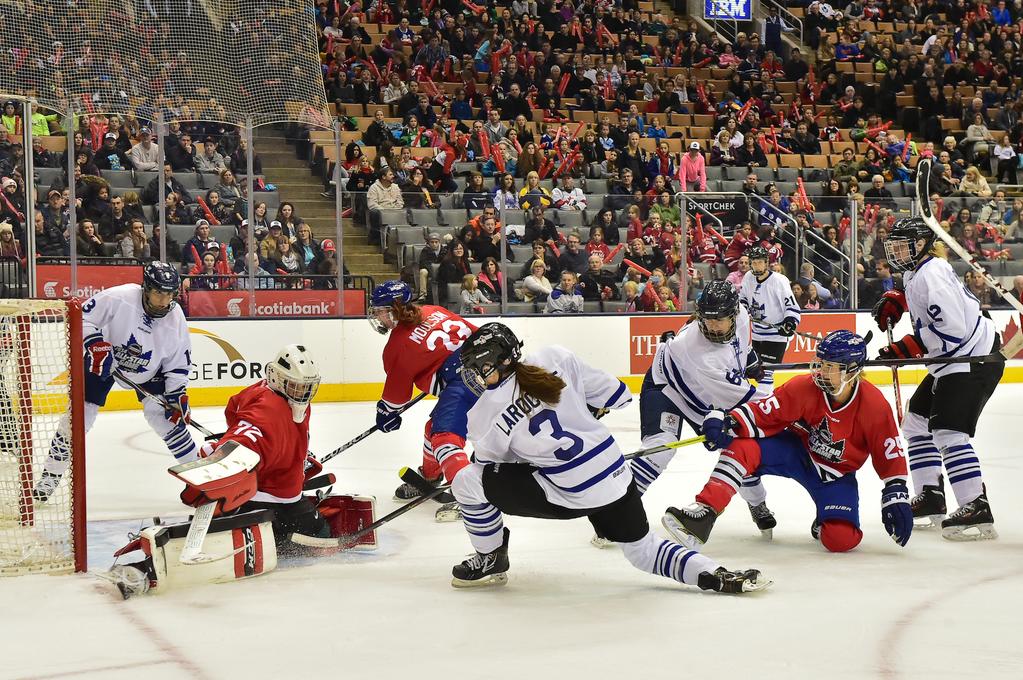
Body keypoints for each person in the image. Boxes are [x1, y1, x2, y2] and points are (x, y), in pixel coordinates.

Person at [438, 323, 768, 593]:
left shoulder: (483, 414)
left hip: (568, 494)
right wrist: (584, 410)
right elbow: (618, 394)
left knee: (467, 482)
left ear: (498, 363)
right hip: (616, 475)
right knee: (643, 551)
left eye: (479, 369)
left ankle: (490, 556)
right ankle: (713, 573)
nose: (475, 377)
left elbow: (494, 469)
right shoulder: (554, 356)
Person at [663, 331, 912, 555]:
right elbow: (765, 412)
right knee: (741, 445)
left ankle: (826, 517)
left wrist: (895, 490)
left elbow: (889, 450)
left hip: (835, 474)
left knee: (840, 539)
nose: (821, 371)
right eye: (821, 364)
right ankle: (705, 513)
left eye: (830, 366)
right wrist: (728, 420)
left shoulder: (874, 405)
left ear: (852, 370)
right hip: (796, 452)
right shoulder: (804, 387)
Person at [873, 218, 1002, 540]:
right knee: (916, 423)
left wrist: (906, 348)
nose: (896, 252)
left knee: (948, 432)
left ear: (921, 244)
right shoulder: (918, 270)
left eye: (902, 246)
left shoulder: (932, 273)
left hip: (972, 359)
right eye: (894, 246)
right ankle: (930, 495)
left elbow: (953, 329)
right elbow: (920, 296)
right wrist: (898, 299)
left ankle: (975, 504)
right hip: (951, 362)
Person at [33, 263, 198, 501]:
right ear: (145, 288)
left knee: (166, 420)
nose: (164, 301)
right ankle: (49, 477)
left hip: (149, 371)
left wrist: (176, 394)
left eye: (169, 294)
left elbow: (178, 361)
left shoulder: (176, 317)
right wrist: (95, 344)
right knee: (77, 418)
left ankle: (199, 477)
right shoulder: (120, 297)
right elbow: (81, 317)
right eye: (158, 293)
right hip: (103, 361)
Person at [368, 281, 477, 520]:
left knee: (444, 436)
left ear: (392, 311)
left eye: (379, 311)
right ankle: (430, 477)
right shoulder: (434, 310)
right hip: (489, 369)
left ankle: (469, 497)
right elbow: (475, 333)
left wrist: (385, 413)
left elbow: (396, 397)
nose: (376, 316)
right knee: (433, 428)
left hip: (464, 384)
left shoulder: (396, 347)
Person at [739, 246, 800, 398]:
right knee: (755, 372)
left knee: (765, 374)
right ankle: (764, 400)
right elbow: (743, 299)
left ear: (766, 263)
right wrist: (744, 310)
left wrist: (790, 322)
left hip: (776, 336)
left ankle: (764, 404)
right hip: (757, 334)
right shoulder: (748, 277)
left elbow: (791, 306)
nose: (757, 266)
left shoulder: (779, 281)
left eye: (760, 262)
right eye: (754, 262)